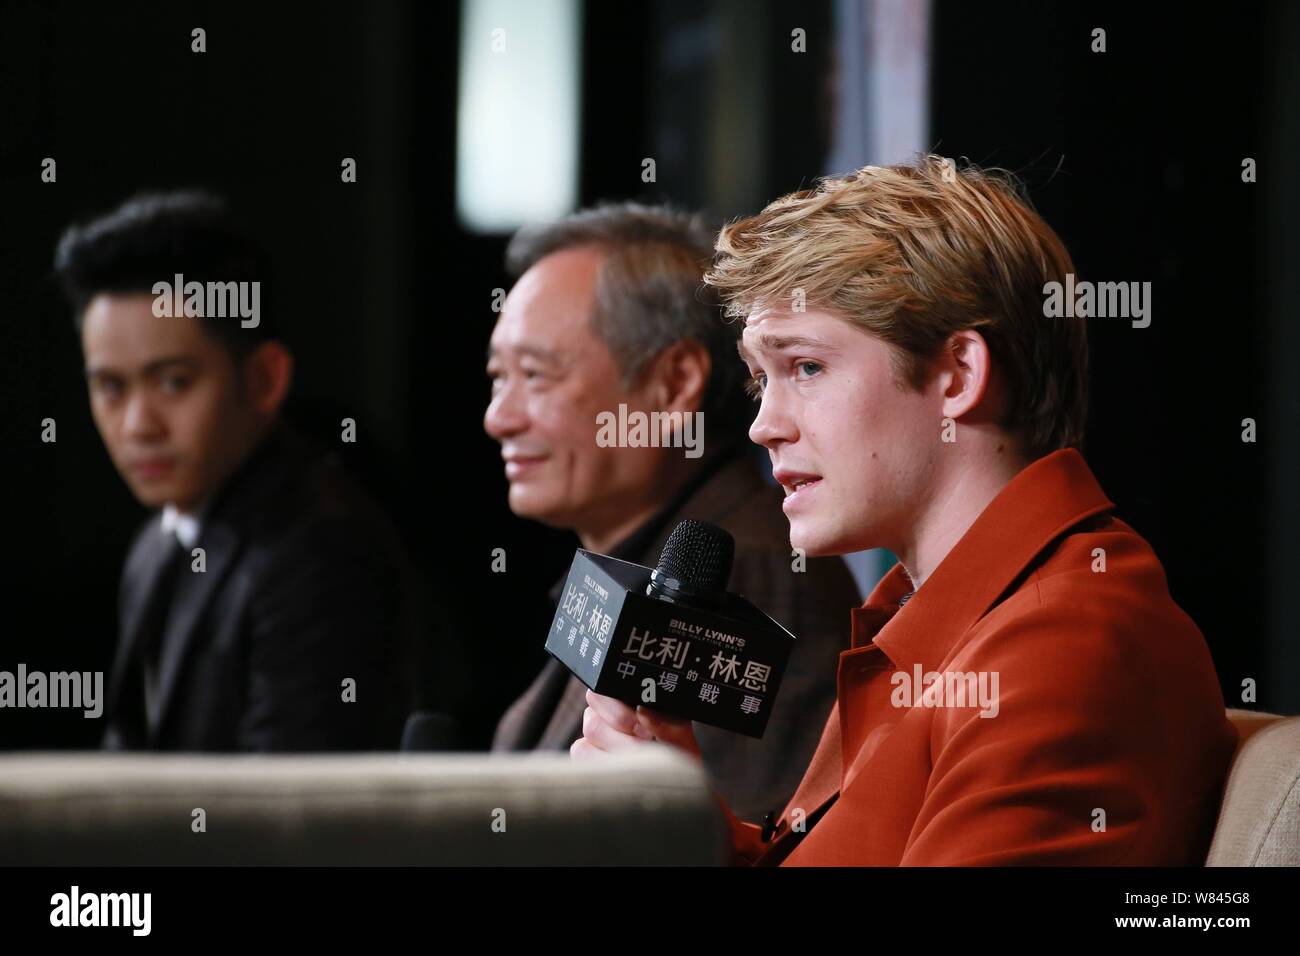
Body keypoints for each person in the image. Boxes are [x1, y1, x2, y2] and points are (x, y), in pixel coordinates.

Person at [573, 157, 1239, 865]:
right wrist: (685, 837)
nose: (764, 424)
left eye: (806, 368)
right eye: (761, 379)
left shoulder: (1062, 642)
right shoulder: (939, 617)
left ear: (959, 375)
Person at [485, 202, 862, 821]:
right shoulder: (626, 565)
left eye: (535, 374)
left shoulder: (753, 579)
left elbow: (730, 842)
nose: (499, 417)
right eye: (498, 377)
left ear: (673, 382)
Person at [54, 190, 416, 751]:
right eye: (110, 388)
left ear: (265, 379)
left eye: (173, 381)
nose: (137, 424)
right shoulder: (158, 539)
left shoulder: (320, 550)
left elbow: (281, 817)